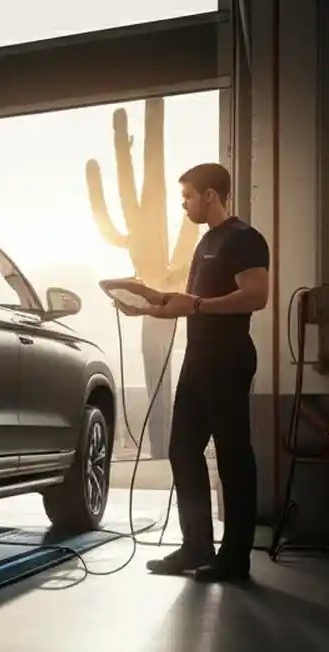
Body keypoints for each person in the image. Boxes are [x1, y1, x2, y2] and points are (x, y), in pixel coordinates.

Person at [112, 162, 269, 583]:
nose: (183, 204)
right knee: (183, 450)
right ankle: (196, 545)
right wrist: (147, 301)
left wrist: (197, 306)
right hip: (198, 359)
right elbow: (191, 300)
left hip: (229, 357)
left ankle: (234, 558)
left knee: (233, 458)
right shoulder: (206, 244)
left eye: (187, 196)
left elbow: (257, 295)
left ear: (210, 196)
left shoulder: (244, 239)